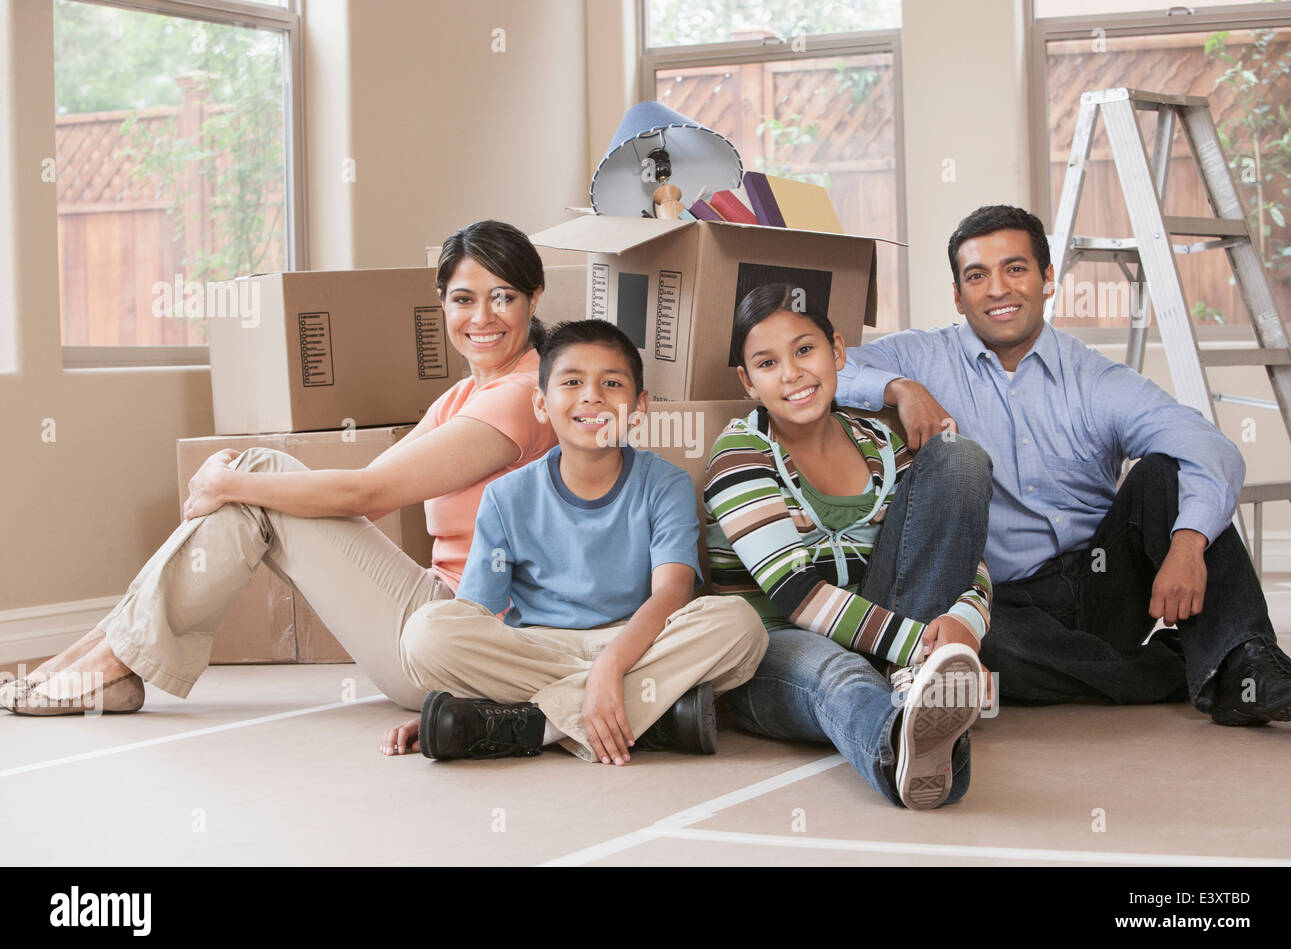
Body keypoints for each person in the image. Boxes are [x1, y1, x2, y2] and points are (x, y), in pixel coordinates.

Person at [3, 220, 558, 718]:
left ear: (533, 299)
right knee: (261, 479)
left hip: (461, 647)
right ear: (442, 304)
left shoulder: (520, 397)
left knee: (258, 476)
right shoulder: (463, 396)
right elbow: (375, 492)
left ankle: (103, 663)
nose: (481, 317)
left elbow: (367, 493)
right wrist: (246, 481)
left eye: (502, 297)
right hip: (434, 617)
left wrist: (231, 481)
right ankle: (104, 658)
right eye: (463, 298)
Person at [837, 204, 1291, 725]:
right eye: (977, 275)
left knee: (1162, 473)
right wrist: (900, 388)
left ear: (1047, 279)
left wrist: (1189, 544)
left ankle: (1250, 663)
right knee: (968, 651)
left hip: (1104, 586)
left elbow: (1208, 445)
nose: (997, 289)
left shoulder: (1093, 377)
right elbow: (825, 369)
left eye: (1015, 269)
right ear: (958, 295)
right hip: (997, 603)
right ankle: (1186, 667)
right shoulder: (923, 358)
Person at [384, 320, 769, 765]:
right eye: (572, 382)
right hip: (538, 650)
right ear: (542, 404)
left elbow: (673, 592)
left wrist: (612, 664)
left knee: (741, 625)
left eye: (612, 382)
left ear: (639, 405)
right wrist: (450, 693)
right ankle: (645, 714)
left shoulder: (666, 484)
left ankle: (535, 725)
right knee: (426, 634)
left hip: (638, 644)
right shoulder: (507, 496)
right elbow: (476, 612)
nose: (592, 396)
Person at [703, 284, 994, 810]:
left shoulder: (881, 443)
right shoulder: (739, 454)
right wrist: (924, 645)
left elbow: (958, 553)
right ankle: (903, 751)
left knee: (960, 457)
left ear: (838, 351)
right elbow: (796, 596)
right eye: (767, 363)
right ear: (748, 382)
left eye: (805, 350)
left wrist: (965, 627)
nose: (791, 373)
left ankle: (917, 694)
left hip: (890, 637)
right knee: (841, 675)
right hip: (773, 647)